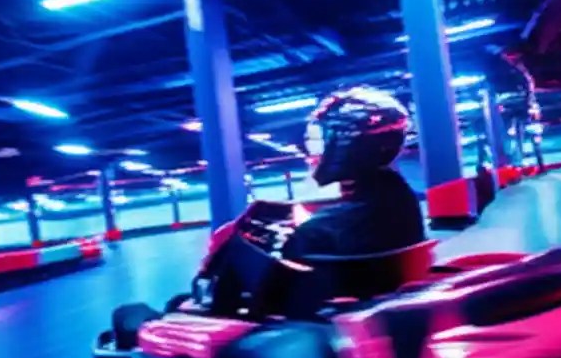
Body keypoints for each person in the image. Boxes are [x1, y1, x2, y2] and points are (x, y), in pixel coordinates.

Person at [111, 88, 424, 344]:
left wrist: (253, 256)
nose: (313, 151)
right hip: (378, 299)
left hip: (313, 320)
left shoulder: (318, 233)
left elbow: (274, 298)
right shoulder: (404, 203)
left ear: (348, 144)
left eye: (321, 140)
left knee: (135, 313)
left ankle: (201, 306)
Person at [280, 87, 425, 259]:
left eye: (317, 143)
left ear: (347, 145)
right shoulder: (401, 197)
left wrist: (296, 234)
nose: (310, 157)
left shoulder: (314, 233)